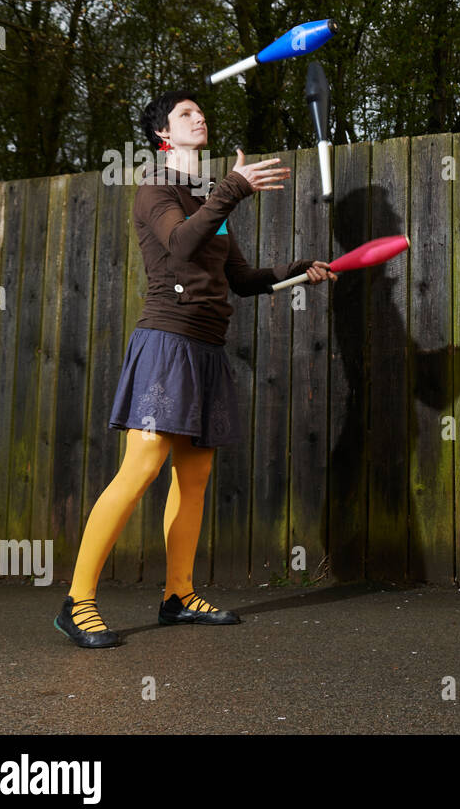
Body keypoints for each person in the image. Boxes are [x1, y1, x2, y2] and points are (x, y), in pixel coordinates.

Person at [54, 90, 337, 649]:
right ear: (163, 133)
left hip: (208, 346)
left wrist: (299, 270)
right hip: (166, 341)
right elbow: (180, 244)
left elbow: (241, 278)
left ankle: (177, 596)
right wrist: (232, 189)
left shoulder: (208, 196)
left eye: (200, 111)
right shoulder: (155, 189)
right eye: (185, 113)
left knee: (196, 476)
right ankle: (77, 602)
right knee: (140, 468)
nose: (198, 116)